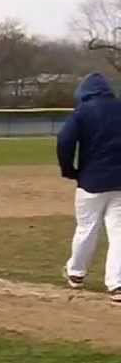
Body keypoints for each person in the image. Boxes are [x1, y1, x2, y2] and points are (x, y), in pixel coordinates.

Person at [56, 71, 121, 303]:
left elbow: (64, 141)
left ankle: (76, 273)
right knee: (119, 233)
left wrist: (68, 169)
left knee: (87, 228)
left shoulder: (82, 112)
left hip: (91, 181)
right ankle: (117, 284)